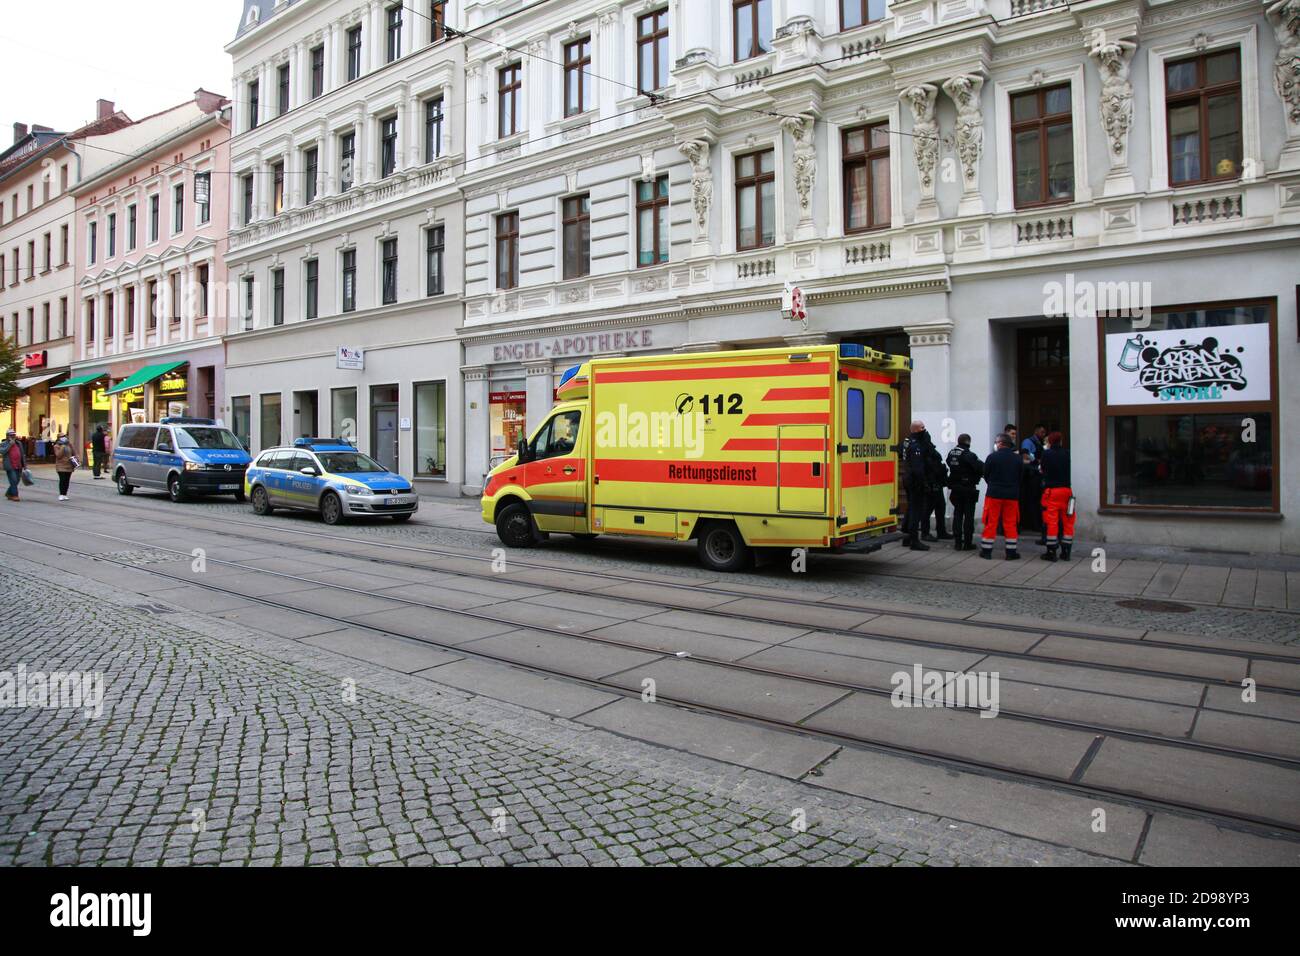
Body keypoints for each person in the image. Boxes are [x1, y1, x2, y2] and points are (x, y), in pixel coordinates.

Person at [980, 433, 1022, 560]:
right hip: (1012, 495)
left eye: (996, 442)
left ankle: (986, 551)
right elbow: (1020, 476)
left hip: (994, 494)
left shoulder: (992, 457)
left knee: (991, 522)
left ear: (1000, 443)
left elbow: (986, 474)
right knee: (1010, 523)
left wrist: (993, 484)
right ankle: (1011, 552)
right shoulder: (1017, 458)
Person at [1040, 430, 1076, 561]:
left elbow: (1042, 469)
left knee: (1052, 522)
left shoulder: (1046, 454)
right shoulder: (1068, 453)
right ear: (1061, 441)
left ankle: (1051, 551)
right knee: (1069, 521)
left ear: (1049, 442)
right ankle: (1066, 551)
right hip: (1068, 493)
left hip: (1052, 493)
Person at [945, 434, 983, 551]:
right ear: (968, 442)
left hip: (955, 488)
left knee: (957, 514)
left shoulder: (951, 453)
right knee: (968, 516)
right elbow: (980, 468)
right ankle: (967, 543)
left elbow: (949, 463)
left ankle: (957, 542)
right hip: (968, 488)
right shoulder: (969, 455)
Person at [900, 421, 934, 551]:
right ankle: (914, 540)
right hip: (915, 481)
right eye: (922, 428)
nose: (924, 430)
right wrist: (923, 482)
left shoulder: (907, 441)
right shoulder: (916, 446)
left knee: (910, 508)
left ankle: (906, 537)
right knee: (916, 511)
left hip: (908, 478)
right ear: (915, 430)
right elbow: (918, 468)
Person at [924, 441, 950, 541]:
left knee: (940, 508)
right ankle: (926, 533)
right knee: (928, 510)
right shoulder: (926, 454)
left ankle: (941, 531)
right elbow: (933, 469)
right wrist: (942, 470)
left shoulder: (930, 452)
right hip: (932, 485)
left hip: (936, 484)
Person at [3, 428, 25, 502]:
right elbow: (2, 451)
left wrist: (25, 465)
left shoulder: (19, 443)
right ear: (7, 436)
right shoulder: (3, 443)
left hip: (19, 465)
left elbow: (22, 454)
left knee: (17, 480)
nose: (13, 436)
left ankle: (8, 493)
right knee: (13, 480)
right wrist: (10, 445)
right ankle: (15, 495)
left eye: (14, 435)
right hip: (10, 465)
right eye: (11, 435)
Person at [53, 434, 76, 500]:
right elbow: (58, 455)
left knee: (67, 480)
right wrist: (62, 447)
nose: (64, 438)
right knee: (62, 480)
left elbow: (74, 453)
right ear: (58, 438)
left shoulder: (69, 445)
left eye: (64, 436)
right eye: (62, 437)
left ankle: (65, 494)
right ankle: (61, 494)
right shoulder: (57, 446)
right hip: (61, 466)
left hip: (69, 465)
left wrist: (71, 446)